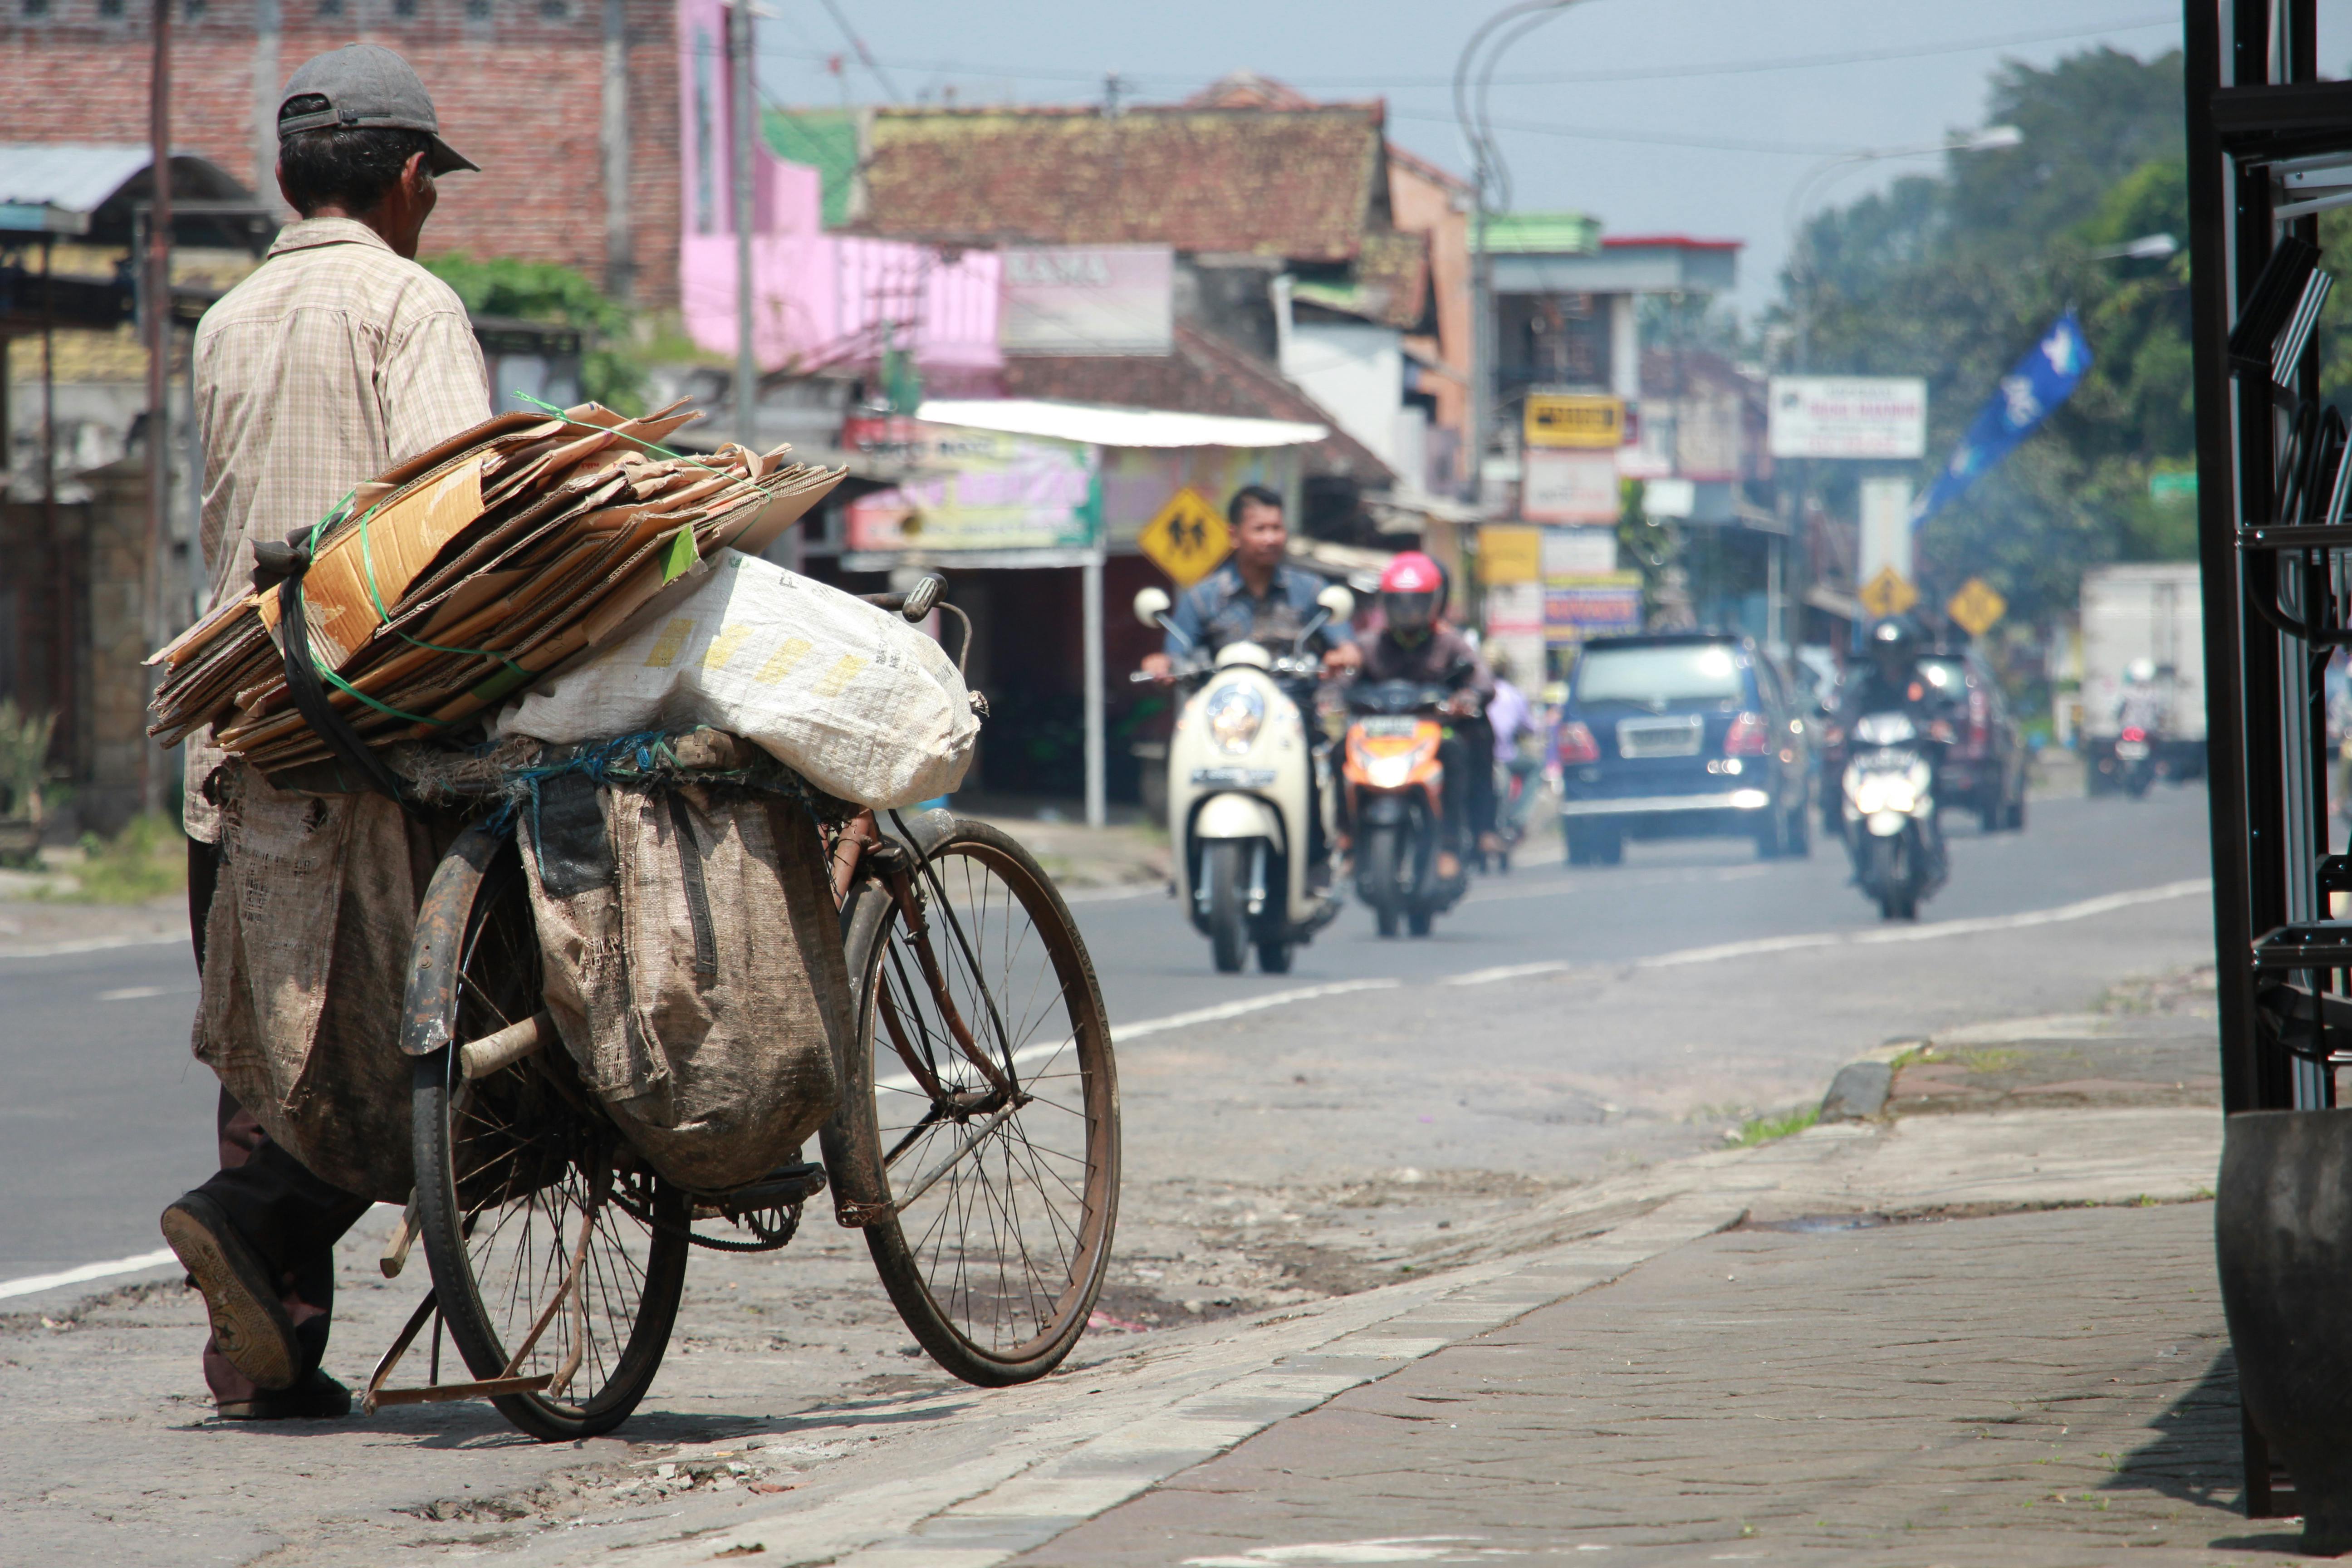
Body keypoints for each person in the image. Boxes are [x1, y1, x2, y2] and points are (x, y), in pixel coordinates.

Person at [159, 43, 490, 1421]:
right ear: (409, 178)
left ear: (293, 179)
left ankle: (263, 1364)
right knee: (402, 1046)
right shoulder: (410, 306)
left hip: (231, 739)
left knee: (263, 1041)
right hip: (368, 738)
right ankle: (248, 1218)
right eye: (434, 186)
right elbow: (460, 527)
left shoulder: (224, 319)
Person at [1355, 551, 1495, 880]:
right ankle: (1347, 840)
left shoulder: (1451, 642)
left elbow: (1481, 678)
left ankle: (1453, 843)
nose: (1407, 611)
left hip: (1435, 734)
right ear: (1385, 603)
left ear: (1434, 602)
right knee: (1337, 754)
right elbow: (1341, 679)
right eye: (1398, 602)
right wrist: (1331, 694)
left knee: (1459, 750)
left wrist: (1469, 697)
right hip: (1379, 737)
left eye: (1415, 602)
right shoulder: (1368, 644)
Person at [1141, 485, 1360, 679]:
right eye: (1260, 529)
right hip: (1224, 713)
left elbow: (1348, 649)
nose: (1270, 539)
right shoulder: (1202, 598)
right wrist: (1162, 665)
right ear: (1234, 535)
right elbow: (1175, 657)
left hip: (1294, 711)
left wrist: (1343, 656)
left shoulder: (1311, 590)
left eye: (1277, 528)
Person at [1486, 652, 1540, 843]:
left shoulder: (1474, 692)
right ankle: (1518, 818)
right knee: (1536, 767)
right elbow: (1531, 727)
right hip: (1504, 757)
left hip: (1485, 758)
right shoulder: (1513, 695)